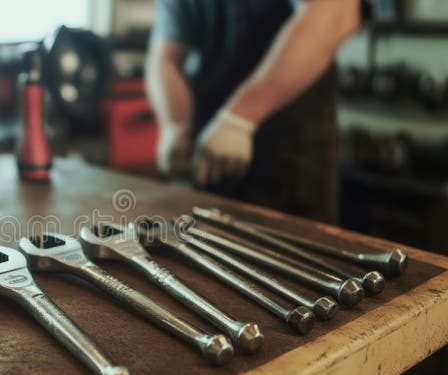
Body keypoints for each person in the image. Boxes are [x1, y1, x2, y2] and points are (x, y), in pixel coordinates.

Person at [146, 0, 362, 223]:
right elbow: (165, 55)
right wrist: (175, 124)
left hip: (289, 152)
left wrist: (239, 118)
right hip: (208, 149)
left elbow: (335, 14)